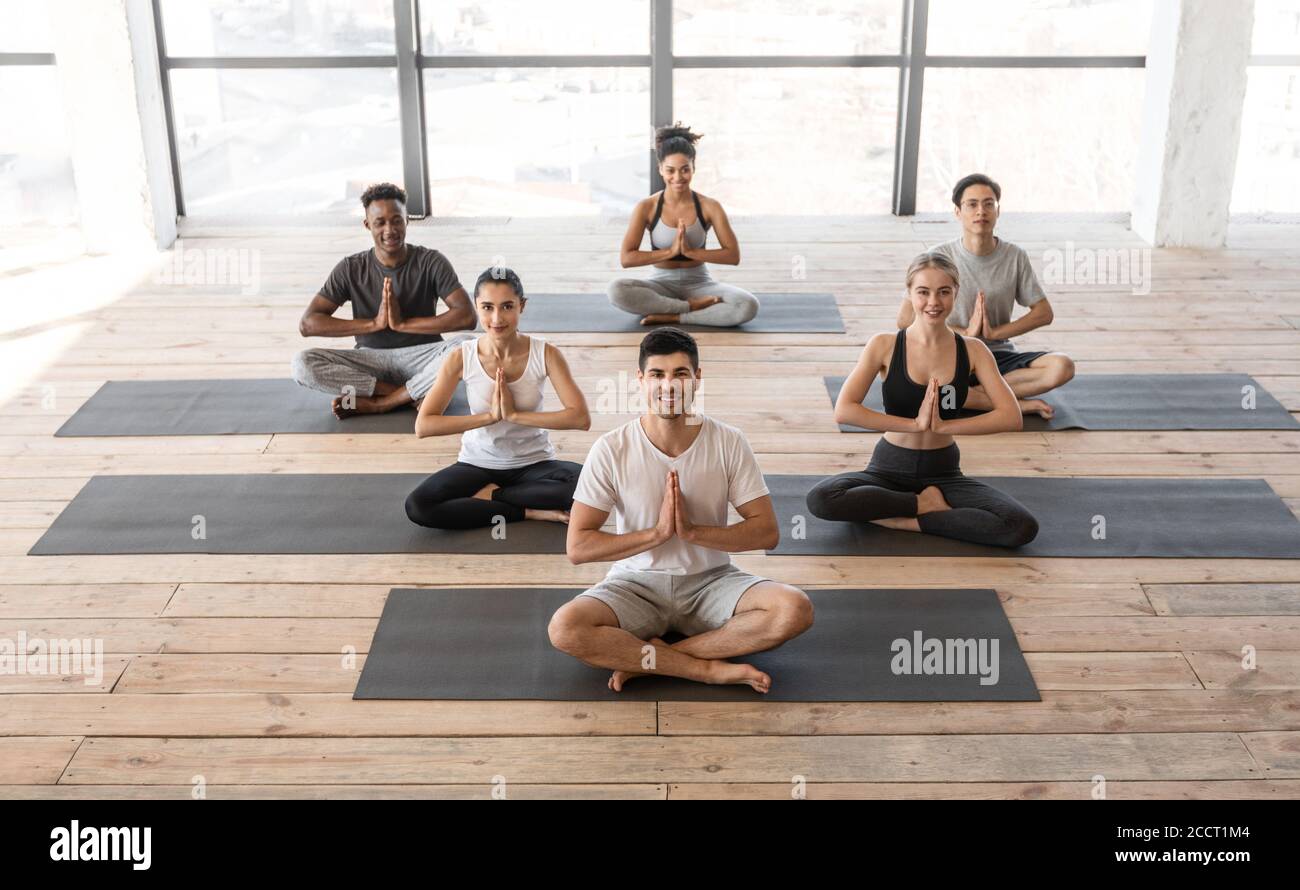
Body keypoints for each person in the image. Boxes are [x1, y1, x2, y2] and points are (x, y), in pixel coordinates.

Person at [548, 327, 813, 694]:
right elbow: (578, 547)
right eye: (657, 374)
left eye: (680, 374)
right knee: (565, 628)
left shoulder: (729, 442)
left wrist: (693, 532)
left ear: (697, 380)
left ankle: (650, 662)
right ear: (640, 380)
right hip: (634, 584)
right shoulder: (611, 448)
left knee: (794, 609)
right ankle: (703, 669)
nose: (668, 386)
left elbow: (766, 531)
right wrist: (655, 535)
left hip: (712, 581)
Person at [811, 252, 1039, 548]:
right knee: (822, 498)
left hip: (944, 471)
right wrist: (915, 424)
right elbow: (845, 411)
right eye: (923, 292)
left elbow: (1010, 416)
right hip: (888, 466)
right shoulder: (885, 345)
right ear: (909, 294)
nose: (934, 302)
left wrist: (943, 428)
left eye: (944, 292)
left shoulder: (973, 350)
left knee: (1020, 526)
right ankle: (921, 504)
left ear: (956, 293)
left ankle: (905, 518)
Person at [405, 268, 589, 529]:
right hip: (477, 463)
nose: (496, 318)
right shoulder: (462, 357)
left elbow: (580, 418)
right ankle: (528, 511)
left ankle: (491, 496)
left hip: (533, 462)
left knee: (586, 484)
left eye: (507, 307)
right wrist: (489, 417)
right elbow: (424, 425)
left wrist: (515, 416)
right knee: (419, 506)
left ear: (521, 306)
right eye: (487, 307)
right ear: (477, 307)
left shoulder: (545, 353)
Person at [897, 173, 1075, 419]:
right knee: (923, 383)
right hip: (949, 353)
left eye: (988, 204)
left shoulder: (1015, 256)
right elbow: (905, 320)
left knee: (1062, 367)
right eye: (972, 204)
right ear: (958, 212)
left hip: (996, 356)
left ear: (997, 211)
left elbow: (1044, 313)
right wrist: (965, 334)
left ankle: (973, 398)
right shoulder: (937, 257)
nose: (981, 211)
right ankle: (1016, 404)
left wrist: (995, 334)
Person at [291, 182, 476, 419]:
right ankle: (406, 396)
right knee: (301, 364)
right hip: (371, 361)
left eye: (396, 220)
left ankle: (383, 403)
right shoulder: (351, 268)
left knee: (468, 347)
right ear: (368, 225)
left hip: (423, 358)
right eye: (380, 222)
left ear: (407, 220)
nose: (390, 230)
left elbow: (467, 316)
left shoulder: (431, 261)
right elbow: (308, 324)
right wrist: (374, 324)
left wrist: (403, 324)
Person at [606, 124, 759, 327]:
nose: (678, 177)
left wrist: (691, 252)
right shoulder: (647, 207)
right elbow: (627, 258)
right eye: (670, 170)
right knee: (616, 290)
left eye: (685, 169)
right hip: (659, 284)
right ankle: (689, 307)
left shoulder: (710, 207)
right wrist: (670, 252)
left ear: (693, 168)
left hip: (701, 284)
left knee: (747, 305)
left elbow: (732, 255)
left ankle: (674, 315)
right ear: (660, 169)